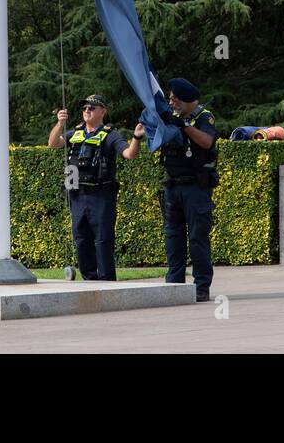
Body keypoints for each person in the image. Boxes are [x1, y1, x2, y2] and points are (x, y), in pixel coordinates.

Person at [48, 94, 141, 280]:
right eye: (84, 108)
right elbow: (53, 143)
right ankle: (89, 280)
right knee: (81, 240)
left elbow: (129, 154)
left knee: (103, 240)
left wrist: (136, 137)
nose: (87, 111)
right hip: (77, 195)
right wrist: (59, 124)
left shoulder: (110, 135)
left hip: (101, 195)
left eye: (92, 108)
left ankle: (107, 283)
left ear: (103, 111)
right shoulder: (75, 133)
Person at [144, 77, 218, 302]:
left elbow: (206, 142)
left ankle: (201, 287)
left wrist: (185, 127)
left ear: (187, 99)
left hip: (195, 187)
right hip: (172, 187)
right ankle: (174, 285)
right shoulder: (171, 118)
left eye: (175, 98)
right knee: (173, 239)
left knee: (198, 238)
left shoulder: (204, 117)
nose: (171, 102)